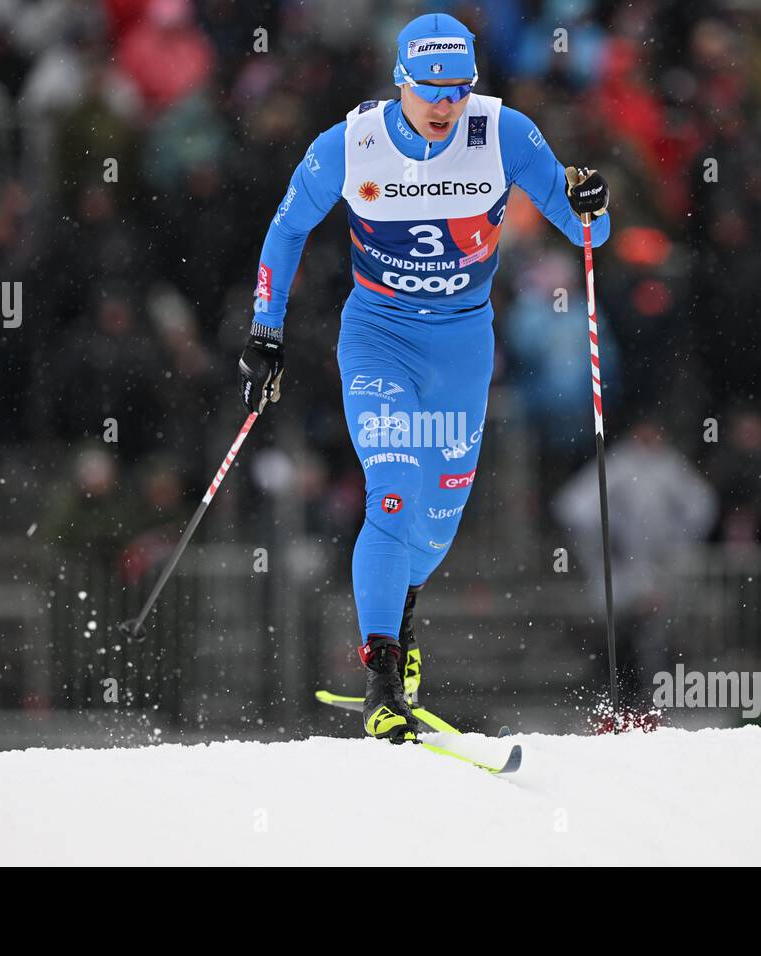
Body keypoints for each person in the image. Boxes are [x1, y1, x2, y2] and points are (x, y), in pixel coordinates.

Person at [237, 13, 611, 742]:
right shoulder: (352, 143)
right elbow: (286, 227)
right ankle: (381, 682)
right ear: (401, 81)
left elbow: (585, 232)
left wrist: (594, 202)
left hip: (464, 350)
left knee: (433, 531)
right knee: (394, 487)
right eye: (431, 89)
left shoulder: (503, 133)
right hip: (378, 339)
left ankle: (403, 621)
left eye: (459, 89)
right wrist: (265, 332)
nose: (445, 106)